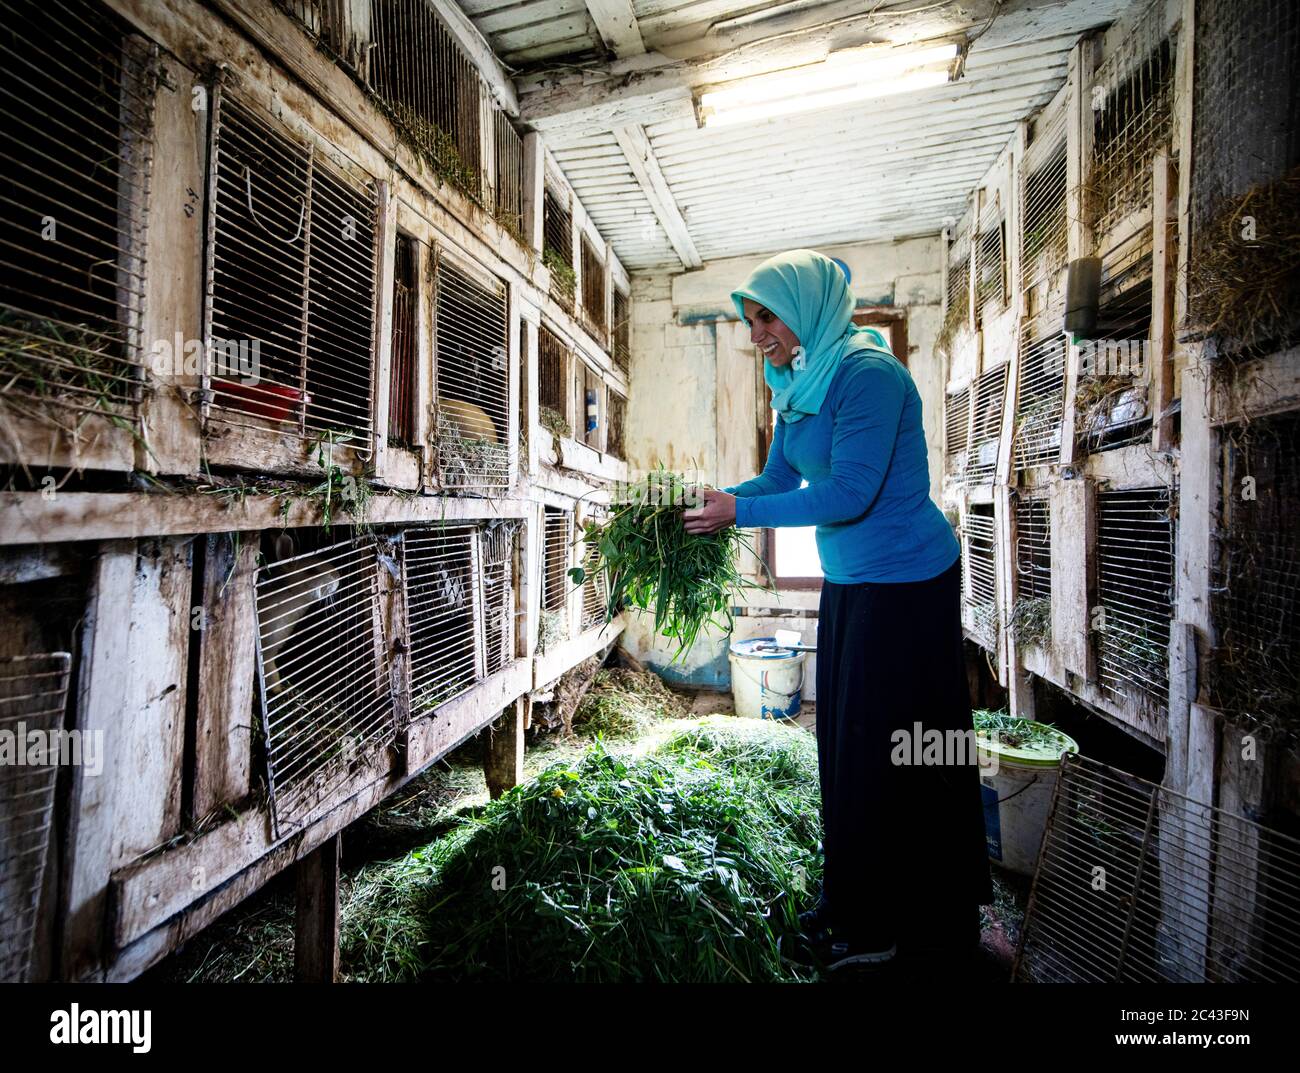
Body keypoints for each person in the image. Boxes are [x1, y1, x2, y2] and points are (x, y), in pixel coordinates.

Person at [683, 249, 991, 974]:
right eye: (750, 319)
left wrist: (742, 511)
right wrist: (717, 500)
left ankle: (921, 922)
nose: (756, 333)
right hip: (851, 581)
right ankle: (854, 900)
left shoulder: (868, 376)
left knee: (909, 746)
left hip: (911, 583)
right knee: (847, 745)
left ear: (808, 312)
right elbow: (778, 477)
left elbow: (849, 492)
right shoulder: (794, 382)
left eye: (767, 317)